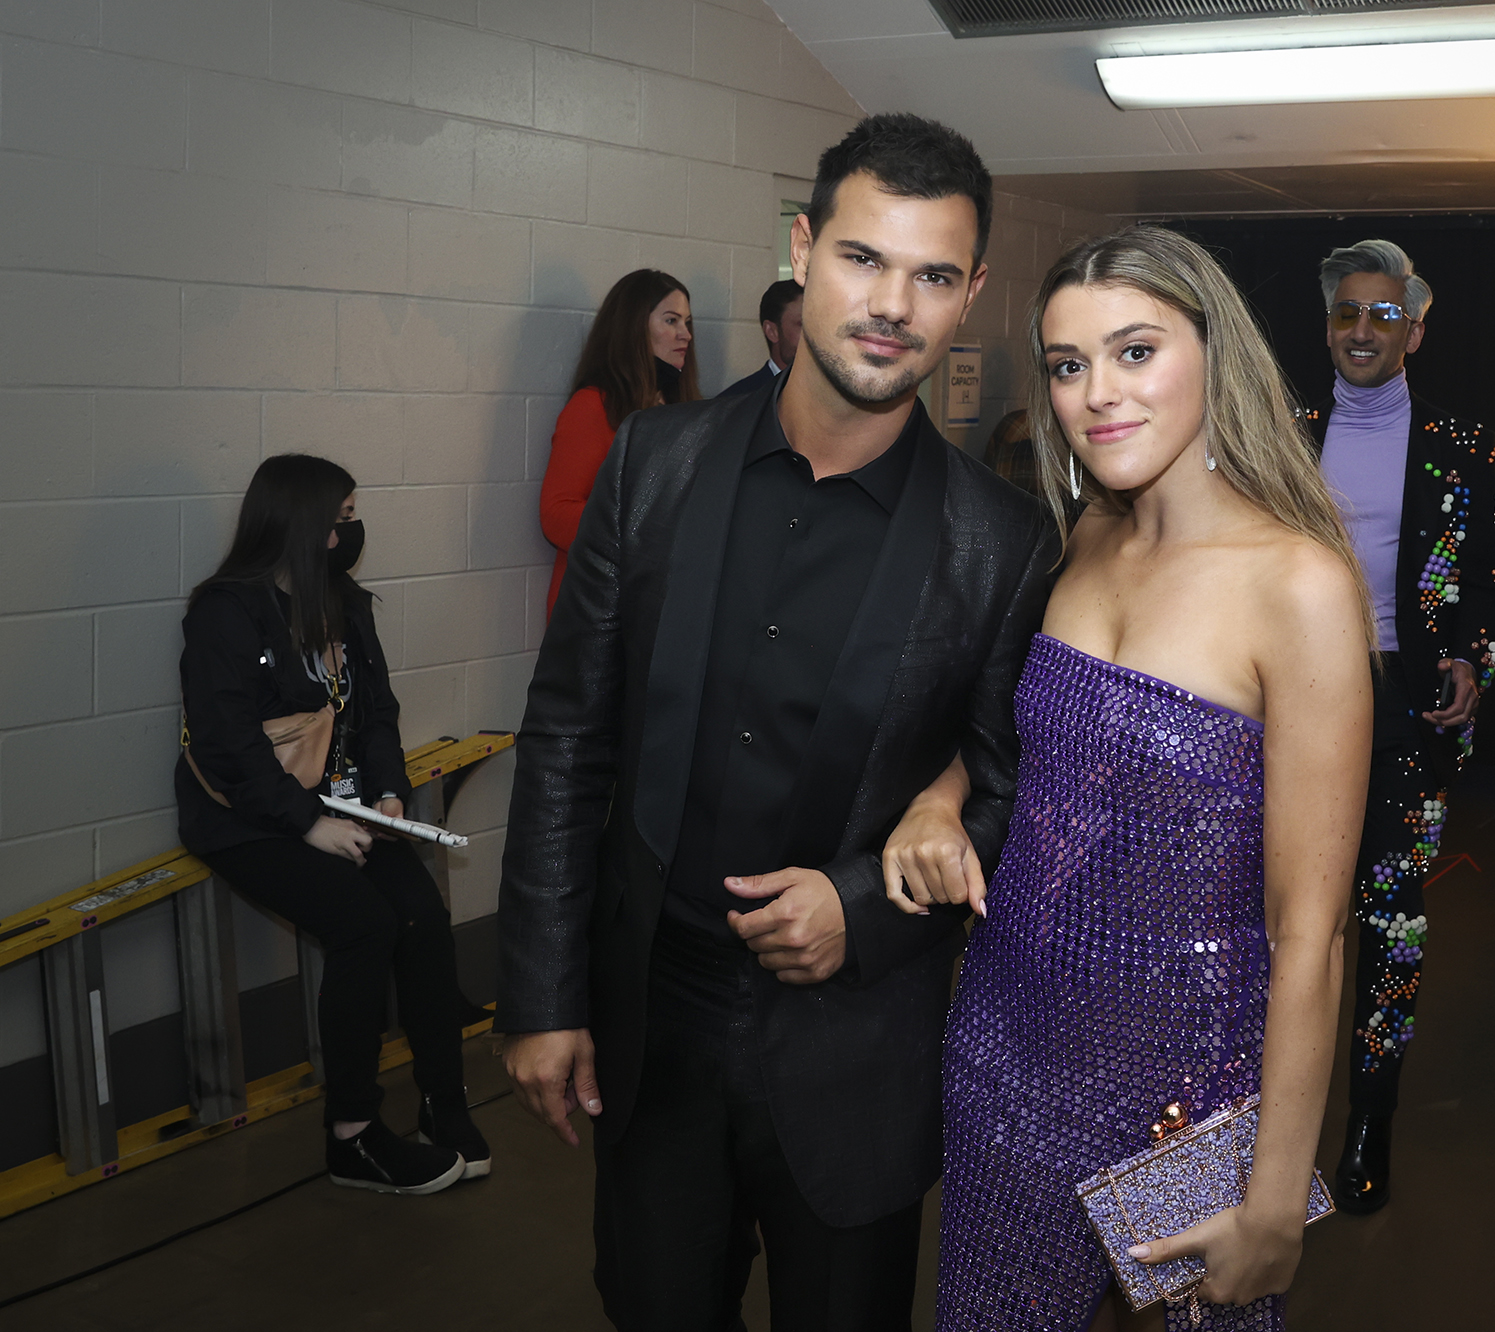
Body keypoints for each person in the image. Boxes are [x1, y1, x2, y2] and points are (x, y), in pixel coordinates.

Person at [494, 113, 1055, 1330]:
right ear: (803, 250)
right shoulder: (652, 465)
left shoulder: (999, 546)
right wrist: (540, 994)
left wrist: (858, 907)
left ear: (970, 298)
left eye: (934, 275)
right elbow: (565, 741)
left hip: (856, 1050)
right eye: (863, 257)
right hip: (655, 1023)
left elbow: (1007, 789)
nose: (893, 304)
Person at [882, 225, 1375, 1330]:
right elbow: (1027, 734)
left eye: (1134, 351)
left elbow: (1311, 930)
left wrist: (1273, 1200)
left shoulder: (1296, 584)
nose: (1095, 393)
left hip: (1185, 1088)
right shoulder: (1079, 540)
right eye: (1067, 364)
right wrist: (940, 794)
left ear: (1213, 354)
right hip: (1005, 1047)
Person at [177, 454, 488, 1196]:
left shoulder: (343, 602)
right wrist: (307, 826)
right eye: (340, 520)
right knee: (363, 925)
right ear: (297, 524)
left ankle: (446, 1101)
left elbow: (376, 713)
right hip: (246, 818)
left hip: (337, 804)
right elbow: (227, 745)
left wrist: (387, 793)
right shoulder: (226, 610)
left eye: (353, 518)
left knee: (420, 915)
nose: (351, 533)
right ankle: (353, 1136)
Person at [1308, 238, 1495, 1214]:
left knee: (1389, 925)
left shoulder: (1463, 448)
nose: (1360, 330)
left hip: (1403, 713)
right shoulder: (1277, 433)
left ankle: (1367, 1120)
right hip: (1289, 705)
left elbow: (1492, 588)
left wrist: (1474, 660)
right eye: (1346, 313)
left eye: (1380, 314)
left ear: (1414, 330)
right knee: (1282, 924)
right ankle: (1267, 1113)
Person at [539, 269, 700, 619]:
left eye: (687, 322)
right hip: (597, 609)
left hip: (661, 605)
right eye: (671, 321)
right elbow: (556, 514)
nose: (685, 334)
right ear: (634, 327)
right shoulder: (594, 405)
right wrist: (643, 525)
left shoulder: (685, 410)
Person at [719, 278, 805, 396]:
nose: (813, 335)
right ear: (772, 332)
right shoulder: (737, 401)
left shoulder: (832, 396)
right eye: (802, 324)